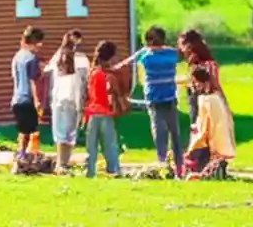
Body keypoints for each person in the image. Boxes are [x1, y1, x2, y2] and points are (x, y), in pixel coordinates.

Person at [119, 26, 184, 176]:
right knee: (162, 130)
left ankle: (177, 164)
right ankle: (164, 163)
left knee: (172, 131)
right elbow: (125, 64)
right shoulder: (156, 53)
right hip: (155, 99)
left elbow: (125, 64)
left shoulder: (160, 53)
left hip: (168, 97)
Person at [45, 29, 89, 173]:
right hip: (73, 99)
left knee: (60, 133)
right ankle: (64, 163)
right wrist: (83, 105)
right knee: (70, 133)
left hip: (58, 98)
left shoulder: (57, 57)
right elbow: (83, 83)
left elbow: (50, 79)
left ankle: (60, 163)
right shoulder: (81, 60)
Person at [186, 65, 236, 180]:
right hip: (221, 143)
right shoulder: (216, 97)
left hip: (210, 144)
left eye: (196, 82)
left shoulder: (206, 99)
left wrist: (193, 145)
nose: (194, 86)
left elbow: (205, 127)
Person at [83, 40, 122, 178]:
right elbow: (110, 95)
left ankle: (90, 171)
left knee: (91, 147)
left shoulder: (93, 72)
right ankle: (114, 170)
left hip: (92, 113)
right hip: (105, 113)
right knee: (110, 145)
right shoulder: (108, 76)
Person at [9, 26, 46, 162]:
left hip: (16, 98)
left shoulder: (17, 57)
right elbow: (33, 80)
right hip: (27, 98)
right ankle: (24, 155)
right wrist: (37, 100)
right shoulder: (31, 58)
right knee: (29, 130)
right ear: (35, 42)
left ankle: (23, 152)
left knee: (23, 129)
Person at [178, 29, 226, 124]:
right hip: (203, 100)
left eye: (181, 45)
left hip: (203, 100)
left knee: (199, 129)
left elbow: (214, 84)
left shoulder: (206, 65)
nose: (180, 49)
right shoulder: (207, 64)